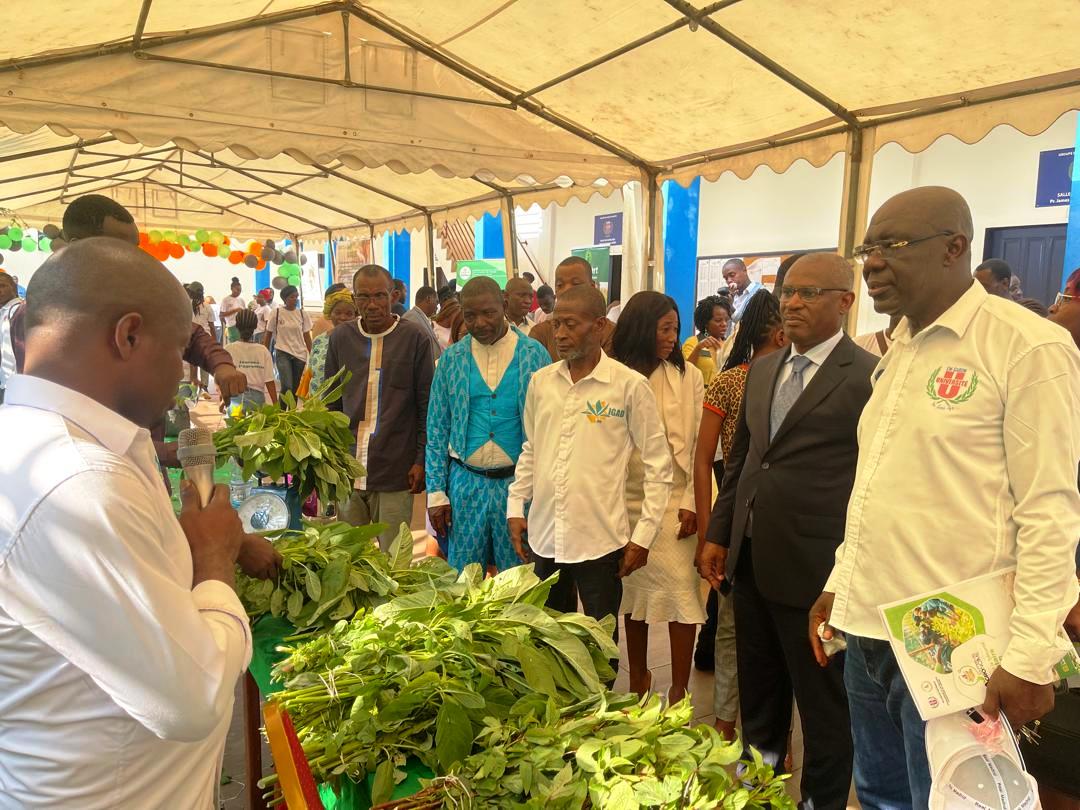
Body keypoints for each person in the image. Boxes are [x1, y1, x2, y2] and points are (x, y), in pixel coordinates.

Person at [810, 187, 1080, 810]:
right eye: (866, 249)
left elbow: (1051, 512)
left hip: (956, 641)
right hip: (870, 631)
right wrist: (839, 583)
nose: (871, 263)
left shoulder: (1026, 346)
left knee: (953, 802)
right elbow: (878, 486)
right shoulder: (900, 347)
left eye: (891, 247)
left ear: (956, 248)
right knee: (881, 796)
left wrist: (1033, 654)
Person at [0, 238, 279, 808]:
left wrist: (206, 539)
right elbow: (191, 698)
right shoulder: (75, 479)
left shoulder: (53, 444)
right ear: (128, 335)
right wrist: (214, 561)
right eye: (179, 350)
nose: (181, 373)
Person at [700, 253, 875, 809]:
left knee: (825, 709)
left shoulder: (867, 377)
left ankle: (819, 803)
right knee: (761, 697)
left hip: (819, 576)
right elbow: (744, 461)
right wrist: (720, 533)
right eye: (788, 292)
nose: (793, 303)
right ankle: (759, 794)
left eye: (810, 293)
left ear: (845, 302)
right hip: (751, 565)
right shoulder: (765, 370)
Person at [506, 285, 672, 633]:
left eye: (570, 324)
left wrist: (643, 536)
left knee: (600, 647)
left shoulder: (628, 387)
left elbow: (659, 466)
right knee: (549, 642)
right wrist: (515, 506)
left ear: (598, 326)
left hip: (600, 540)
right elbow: (531, 449)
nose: (561, 334)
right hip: (545, 536)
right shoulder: (541, 383)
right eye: (556, 325)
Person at [690, 290, 786, 716]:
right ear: (781, 334)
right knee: (776, 634)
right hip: (778, 519)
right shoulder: (785, 380)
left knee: (728, 628)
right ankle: (774, 737)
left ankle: (726, 722)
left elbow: (703, 458)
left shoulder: (729, 380)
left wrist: (709, 529)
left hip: (732, 518)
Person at [611, 292, 705, 702]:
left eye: (675, 328)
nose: (672, 338)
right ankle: (639, 680)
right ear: (640, 328)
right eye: (663, 329)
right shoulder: (614, 375)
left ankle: (680, 689)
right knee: (632, 593)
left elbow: (702, 443)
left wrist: (693, 501)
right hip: (624, 501)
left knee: (682, 591)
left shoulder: (689, 377)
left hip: (673, 500)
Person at [426, 277, 549, 571]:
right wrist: (436, 492)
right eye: (470, 316)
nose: (479, 323)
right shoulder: (451, 360)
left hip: (518, 486)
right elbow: (437, 428)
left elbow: (547, 431)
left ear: (504, 306)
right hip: (465, 485)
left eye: (488, 313)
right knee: (462, 582)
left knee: (519, 580)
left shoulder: (534, 355)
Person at [325, 265, 435, 551]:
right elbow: (331, 402)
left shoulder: (414, 339)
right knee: (347, 557)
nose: (371, 305)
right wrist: (330, 458)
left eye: (379, 296)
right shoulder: (340, 339)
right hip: (348, 467)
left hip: (395, 468)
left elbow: (426, 405)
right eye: (363, 297)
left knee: (393, 559)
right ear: (354, 298)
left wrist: (420, 459)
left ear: (393, 295)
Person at [528, 257, 616, 361]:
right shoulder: (541, 333)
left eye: (576, 284)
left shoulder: (610, 332)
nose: (567, 290)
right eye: (560, 285)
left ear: (592, 286)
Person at [303, 288, 357, 394]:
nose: (343, 317)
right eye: (337, 312)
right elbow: (312, 373)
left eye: (349, 313)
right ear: (329, 314)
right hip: (317, 402)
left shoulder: (358, 341)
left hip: (345, 403)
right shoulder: (319, 341)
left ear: (355, 316)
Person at [223, 308, 277, 412]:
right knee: (256, 427)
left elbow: (224, 379)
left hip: (235, 400)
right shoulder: (263, 351)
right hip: (257, 401)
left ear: (236, 326)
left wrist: (223, 399)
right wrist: (276, 405)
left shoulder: (228, 349)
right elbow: (269, 381)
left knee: (234, 427)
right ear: (256, 326)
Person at [264, 285, 312, 400]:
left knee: (295, 389)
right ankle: (281, 411)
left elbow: (307, 336)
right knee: (287, 386)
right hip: (282, 352)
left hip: (300, 354)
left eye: (296, 297)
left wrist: (313, 353)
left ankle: (291, 413)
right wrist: (265, 352)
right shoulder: (276, 313)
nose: (295, 299)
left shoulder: (302, 314)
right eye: (292, 297)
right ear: (285, 299)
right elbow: (268, 334)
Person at [682, 294, 732, 386]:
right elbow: (684, 373)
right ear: (705, 322)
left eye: (726, 320)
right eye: (718, 320)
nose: (724, 324)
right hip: (700, 397)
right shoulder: (693, 342)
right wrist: (698, 348)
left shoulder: (728, 344)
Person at [187, 282, 217, 394]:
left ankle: (198, 385)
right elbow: (212, 326)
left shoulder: (189, 306)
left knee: (197, 363)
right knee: (199, 363)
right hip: (199, 338)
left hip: (198, 338)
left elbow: (211, 326)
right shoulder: (204, 306)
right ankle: (199, 385)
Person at [723, 258, 764, 336]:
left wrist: (730, 307)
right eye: (725, 278)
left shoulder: (760, 293)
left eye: (732, 275)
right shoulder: (731, 295)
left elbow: (748, 323)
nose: (729, 280)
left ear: (744, 271)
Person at [401, 284, 442, 359]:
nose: (437, 307)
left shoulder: (419, 316)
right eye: (436, 302)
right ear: (428, 299)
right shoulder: (411, 317)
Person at [0, 272, 22, 404]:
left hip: (12, 382)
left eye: (2, 286)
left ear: (13, 288)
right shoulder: (4, 310)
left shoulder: (16, 309)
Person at [433, 285, 464, 349]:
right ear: (450, 313)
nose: (459, 319)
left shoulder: (458, 329)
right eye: (457, 315)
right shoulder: (434, 328)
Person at [219, 277, 246, 342]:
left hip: (242, 326)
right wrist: (235, 310)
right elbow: (221, 315)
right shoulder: (226, 300)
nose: (239, 292)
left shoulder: (241, 300)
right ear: (231, 288)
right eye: (237, 289)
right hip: (231, 326)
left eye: (240, 290)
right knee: (234, 346)